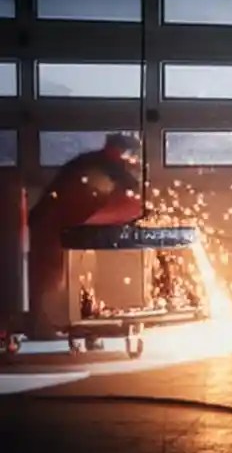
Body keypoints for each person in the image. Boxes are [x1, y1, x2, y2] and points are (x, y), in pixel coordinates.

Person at [26, 132, 144, 338]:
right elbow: (129, 191)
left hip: (53, 219)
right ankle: (36, 325)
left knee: (49, 275)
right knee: (46, 275)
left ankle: (40, 323)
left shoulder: (93, 162)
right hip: (48, 222)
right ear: (119, 151)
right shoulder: (104, 165)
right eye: (131, 155)